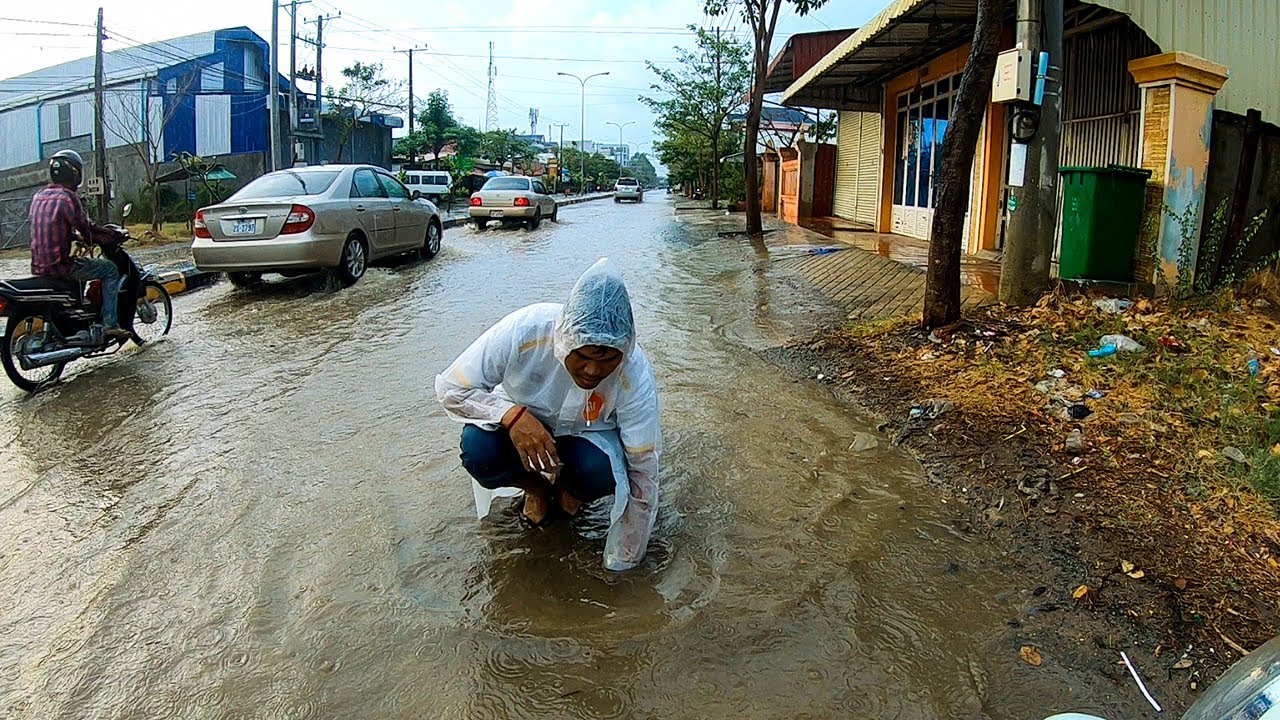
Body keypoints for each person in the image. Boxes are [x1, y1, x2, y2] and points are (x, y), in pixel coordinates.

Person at [435, 258, 661, 572]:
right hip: (517, 426)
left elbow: (643, 471)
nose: (593, 371)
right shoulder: (525, 330)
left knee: (601, 470)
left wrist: (624, 560)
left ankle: (569, 489)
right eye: (582, 356)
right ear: (565, 341)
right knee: (479, 450)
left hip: (586, 436)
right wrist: (511, 415)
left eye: (608, 359)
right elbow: (450, 389)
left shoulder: (634, 374)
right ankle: (537, 489)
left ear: (623, 350)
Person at [29, 149, 129, 340]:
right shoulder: (67, 197)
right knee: (109, 269)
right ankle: (109, 324)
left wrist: (73, 237)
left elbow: (52, 228)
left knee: (85, 266)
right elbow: (89, 230)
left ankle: (83, 312)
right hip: (61, 267)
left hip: (39, 267)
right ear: (76, 174)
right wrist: (114, 236)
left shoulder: (38, 197)